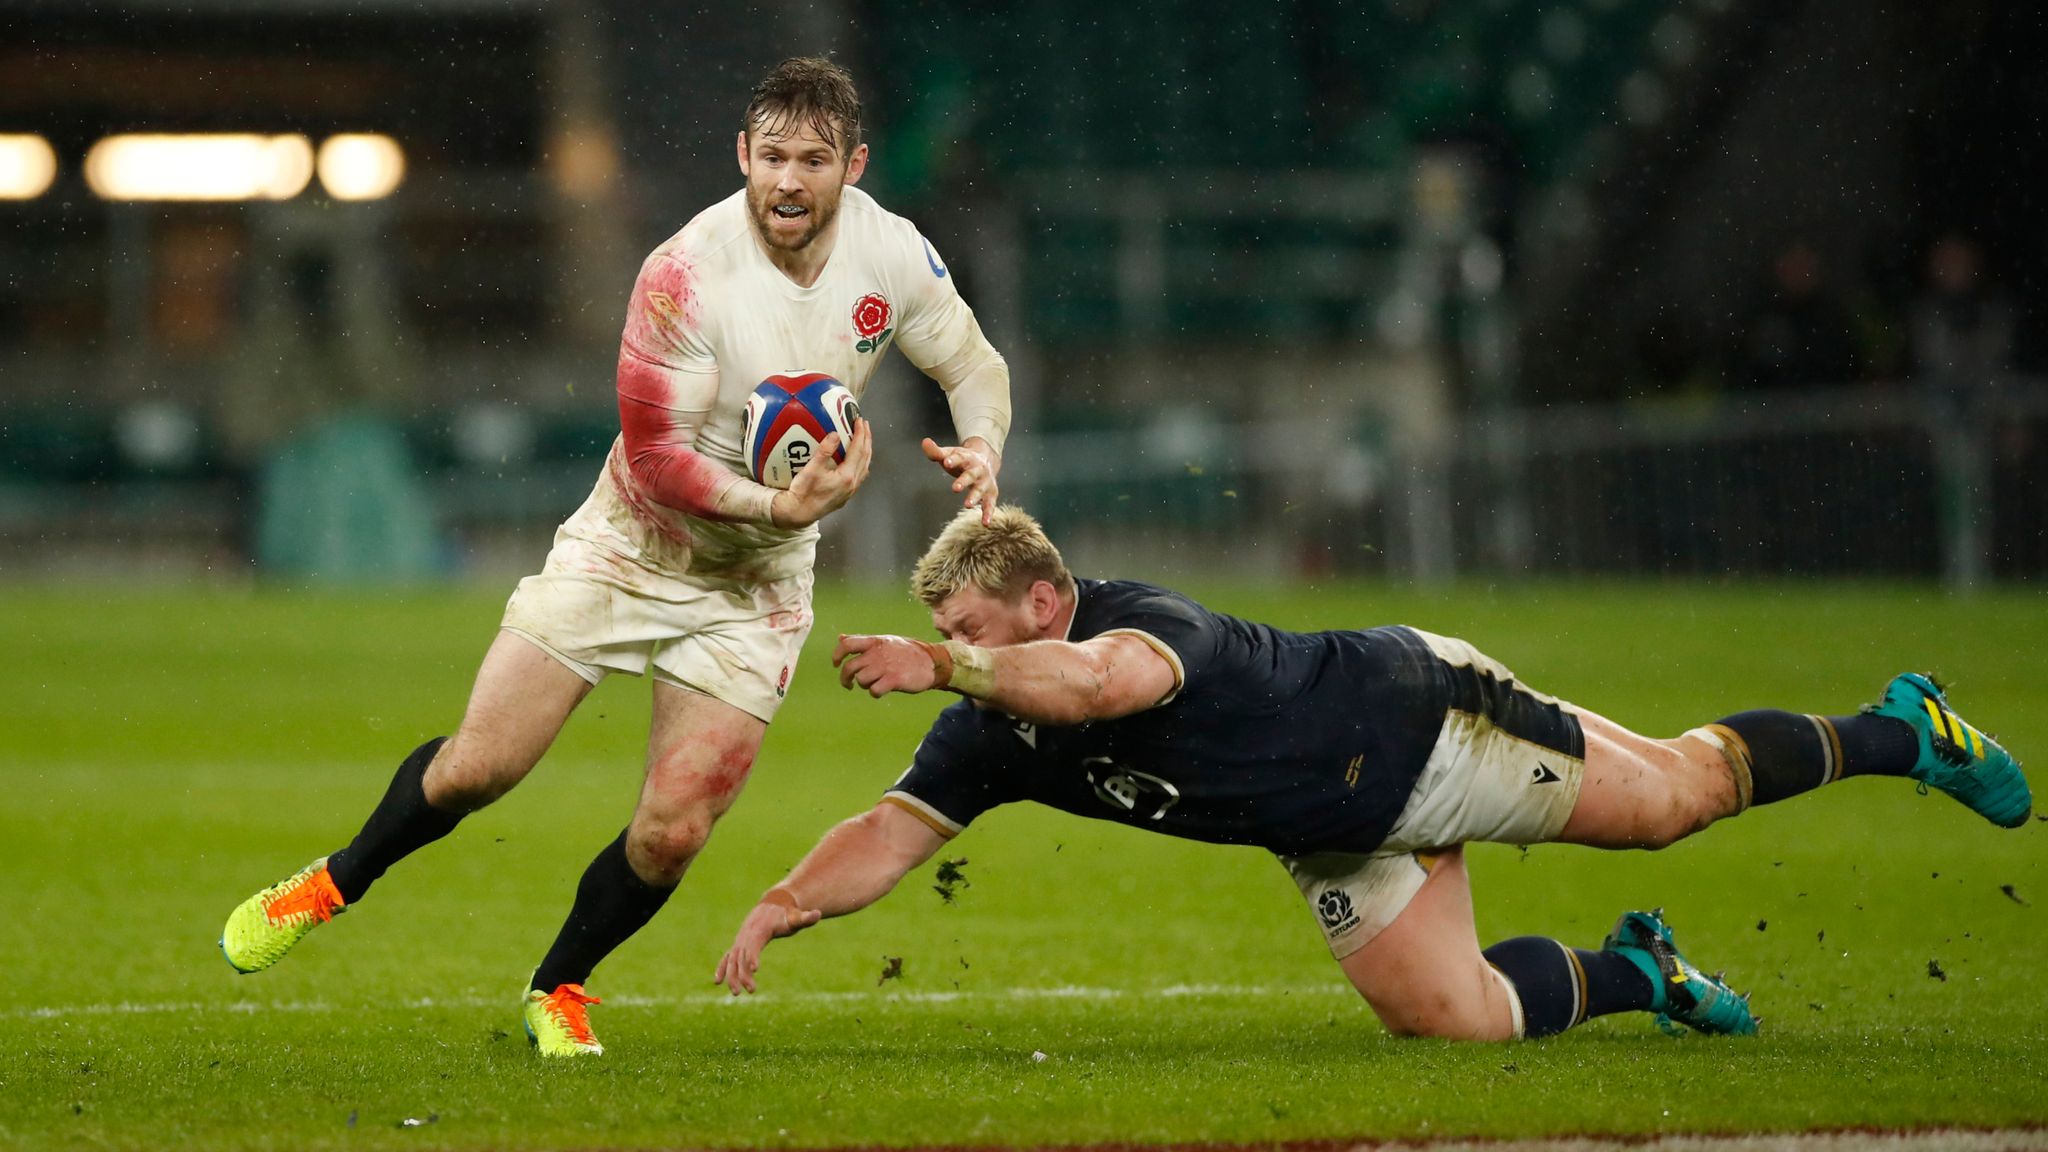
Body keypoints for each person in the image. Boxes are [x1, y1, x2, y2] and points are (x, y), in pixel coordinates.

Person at [220, 56, 1015, 1058]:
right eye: (770, 155)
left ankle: (557, 989)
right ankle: (334, 881)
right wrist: (781, 502)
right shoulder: (685, 272)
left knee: (673, 832)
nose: (786, 180)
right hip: (629, 547)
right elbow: (659, 458)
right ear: (742, 155)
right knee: (479, 770)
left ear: (850, 166)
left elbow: (972, 364)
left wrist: (981, 441)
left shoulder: (892, 256)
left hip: (754, 587)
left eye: (811, 160)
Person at [715, 507, 2031, 1041]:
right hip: (1334, 831)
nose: (963, 658)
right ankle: (1651, 974)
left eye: (981, 635)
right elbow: (892, 830)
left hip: (1422, 730)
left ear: (1050, 599)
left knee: (1680, 798)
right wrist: (783, 904)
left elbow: (1104, 687)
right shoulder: (991, 720)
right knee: (1448, 1020)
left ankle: (1901, 728)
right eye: (949, 642)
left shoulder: (1141, 626)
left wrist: (952, 671)